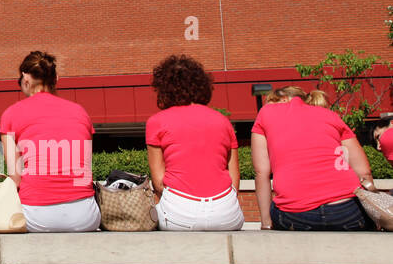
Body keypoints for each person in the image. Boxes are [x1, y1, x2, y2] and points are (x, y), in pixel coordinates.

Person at [0, 51, 99, 232]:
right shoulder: (80, 112)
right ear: (56, 79)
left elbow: (16, 178)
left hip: (36, 215)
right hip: (84, 215)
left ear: (25, 79)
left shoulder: (11, 115)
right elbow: (84, 166)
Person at [252, 85, 375, 230]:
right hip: (348, 211)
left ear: (283, 99)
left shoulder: (267, 111)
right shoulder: (329, 115)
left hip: (295, 215)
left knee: (278, 207)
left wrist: (266, 224)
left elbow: (261, 172)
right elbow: (364, 172)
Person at [144, 55, 242, 231]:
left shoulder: (156, 122)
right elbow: (234, 179)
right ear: (202, 85)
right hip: (226, 214)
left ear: (163, 88)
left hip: (178, 215)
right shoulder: (223, 121)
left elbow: (158, 182)